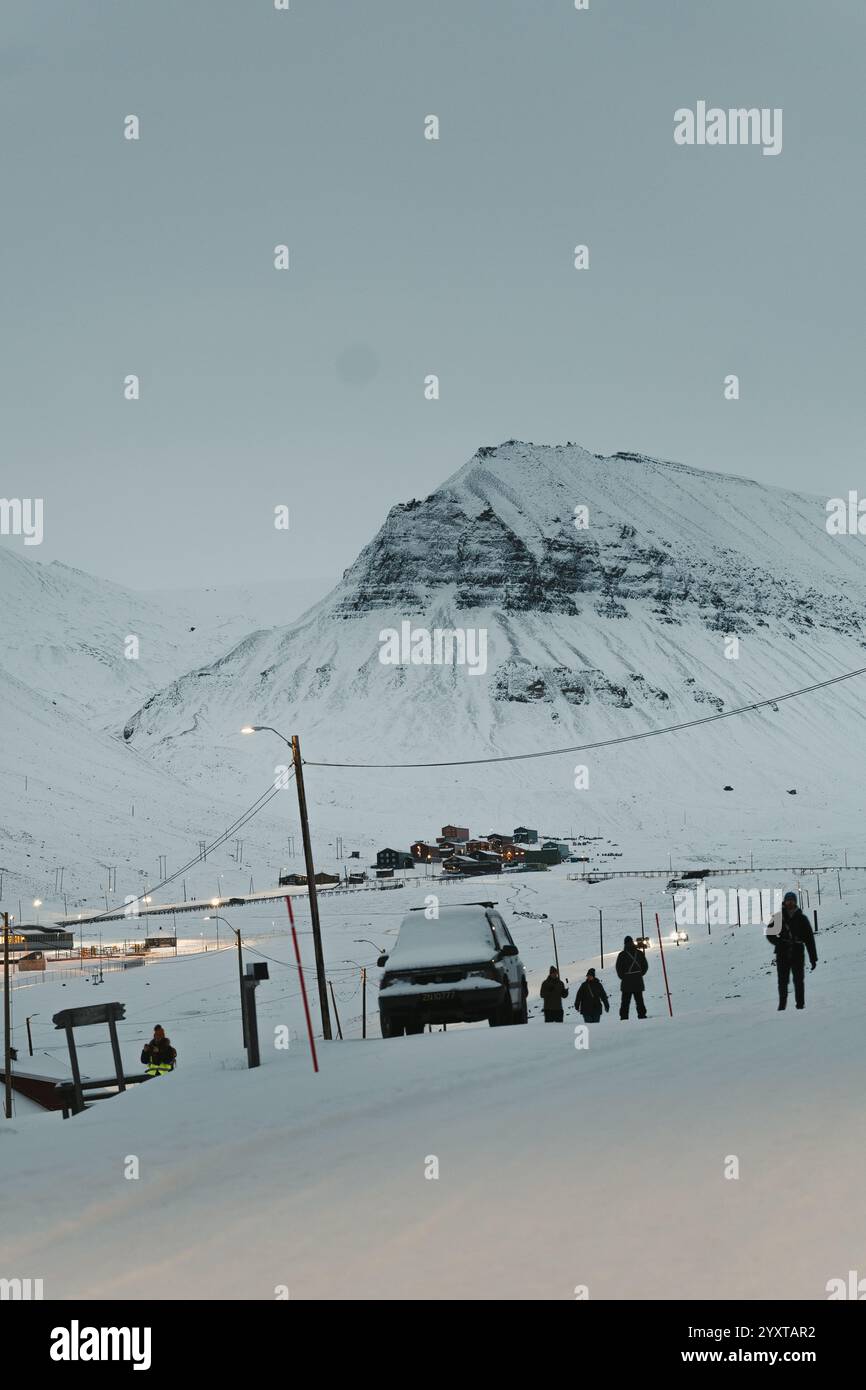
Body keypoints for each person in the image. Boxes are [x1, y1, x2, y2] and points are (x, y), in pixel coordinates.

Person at [766, 891, 818, 1010]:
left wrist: (813, 958)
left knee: (799, 980)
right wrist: (779, 942)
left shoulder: (802, 918)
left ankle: (800, 1005)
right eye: (788, 900)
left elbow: (809, 939)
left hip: (798, 953)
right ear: (785, 902)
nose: (790, 902)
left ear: (795, 902)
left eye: (792, 900)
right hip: (782, 953)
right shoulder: (778, 917)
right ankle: (782, 1006)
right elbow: (769, 933)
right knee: (782, 982)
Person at [615, 935, 648, 1019]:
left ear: (625, 944)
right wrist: (639, 974)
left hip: (627, 982)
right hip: (638, 981)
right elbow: (645, 966)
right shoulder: (639, 953)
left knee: (625, 1002)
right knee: (639, 1001)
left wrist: (624, 977)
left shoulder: (622, 955)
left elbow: (618, 968)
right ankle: (642, 1016)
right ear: (632, 942)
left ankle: (624, 1018)